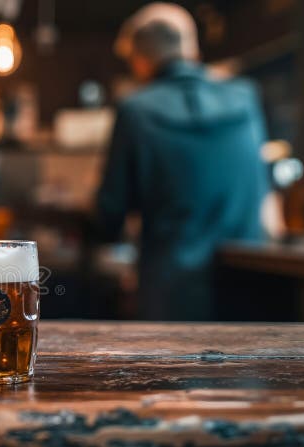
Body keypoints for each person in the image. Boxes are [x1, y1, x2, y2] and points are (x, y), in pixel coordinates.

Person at [96, 2, 270, 321]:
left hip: (170, 294)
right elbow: (260, 187)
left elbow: (110, 212)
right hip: (251, 285)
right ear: (192, 46)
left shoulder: (135, 110)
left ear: (140, 59)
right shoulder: (245, 98)